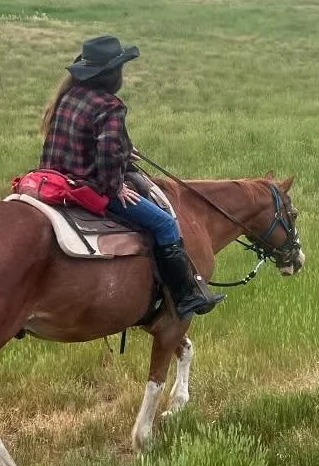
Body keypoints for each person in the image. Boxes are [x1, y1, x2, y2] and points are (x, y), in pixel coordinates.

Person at [39, 35, 223, 318]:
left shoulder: (69, 96)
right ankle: (185, 297)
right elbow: (105, 157)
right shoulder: (110, 105)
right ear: (112, 75)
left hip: (52, 178)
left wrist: (124, 150)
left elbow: (89, 142)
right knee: (164, 225)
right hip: (86, 185)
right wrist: (115, 188)